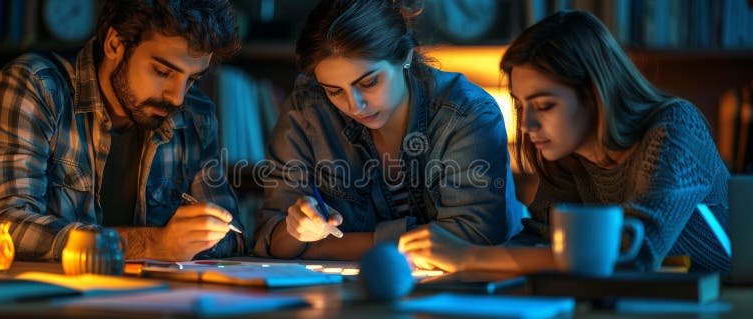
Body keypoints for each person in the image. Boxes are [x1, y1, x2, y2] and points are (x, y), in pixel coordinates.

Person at [399, 10, 731, 272]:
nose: (527, 124)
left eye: (544, 105)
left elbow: (632, 251)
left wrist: (470, 258)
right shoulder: (570, 154)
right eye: (520, 104)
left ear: (593, 94)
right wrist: (450, 265)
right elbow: (539, 237)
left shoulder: (675, 127)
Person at [0, 0, 244, 261]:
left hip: (138, 298)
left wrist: (201, 236)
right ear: (115, 44)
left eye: (192, 79)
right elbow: (4, 226)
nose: (177, 97)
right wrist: (154, 244)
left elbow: (236, 235)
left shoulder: (195, 114)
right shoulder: (38, 86)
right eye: (162, 72)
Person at [253, 0, 523, 260]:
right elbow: (269, 236)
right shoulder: (308, 110)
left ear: (405, 57)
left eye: (369, 83)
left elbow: (475, 238)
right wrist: (295, 230)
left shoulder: (465, 112)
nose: (354, 106)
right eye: (335, 91)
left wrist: (319, 248)